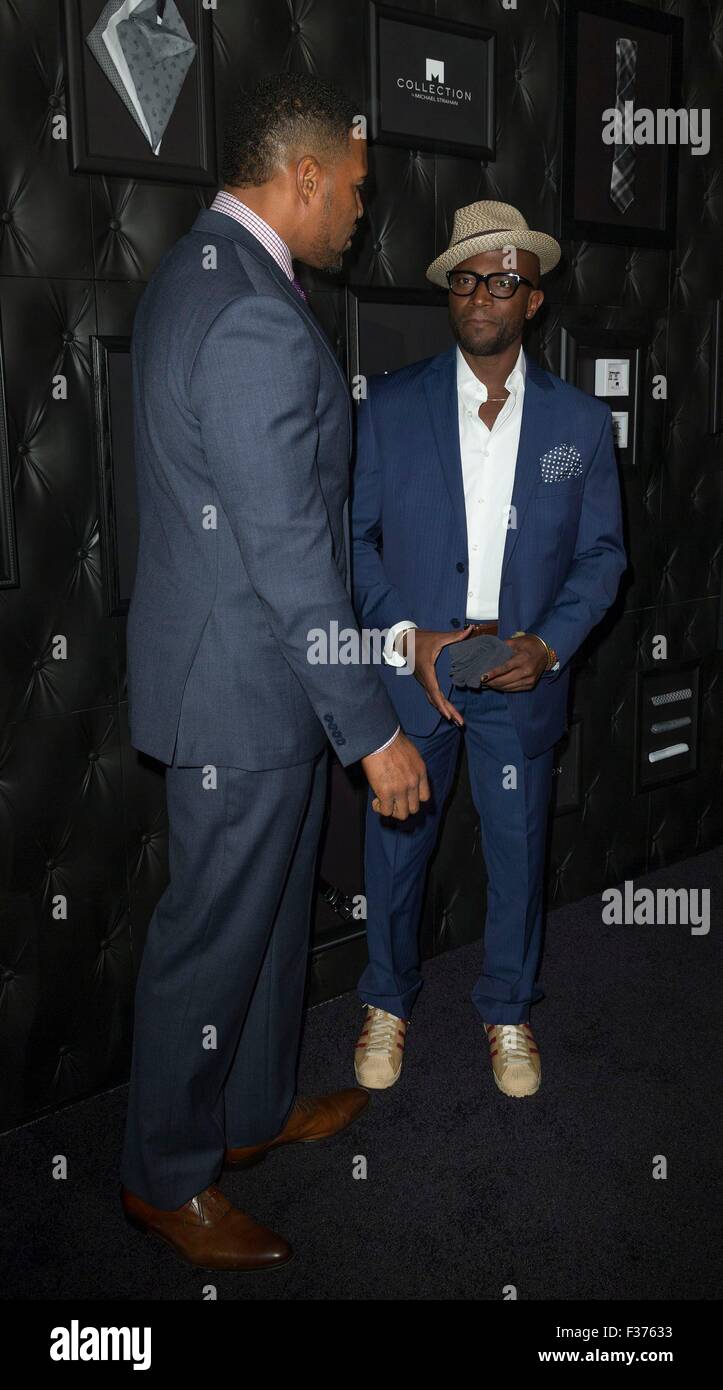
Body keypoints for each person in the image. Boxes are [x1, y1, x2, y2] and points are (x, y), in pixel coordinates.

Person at [119, 74, 429, 1273]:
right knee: (212, 942)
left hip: (259, 683)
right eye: (352, 187)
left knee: (266, 927)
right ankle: (163, 1178)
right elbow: (293, 554)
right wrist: (374, 730)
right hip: (242, 692)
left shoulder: (207, 272)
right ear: (304, 177)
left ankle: (246, 1114)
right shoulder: (247, 309)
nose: (360, 207)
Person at [350, 201, 627, 1099]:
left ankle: (508, 1008)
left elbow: (601, 555)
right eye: (465, 279)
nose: (481, 294)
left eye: (502, 280)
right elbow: (352, 541)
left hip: (518, 673)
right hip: (417, 670)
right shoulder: (389, 407)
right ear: (450, 293)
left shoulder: (579, 425)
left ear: (532, 299)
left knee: (517, 853)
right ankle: (385, 1000)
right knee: (395, 852)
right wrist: (406, 638)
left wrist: (546, 646)